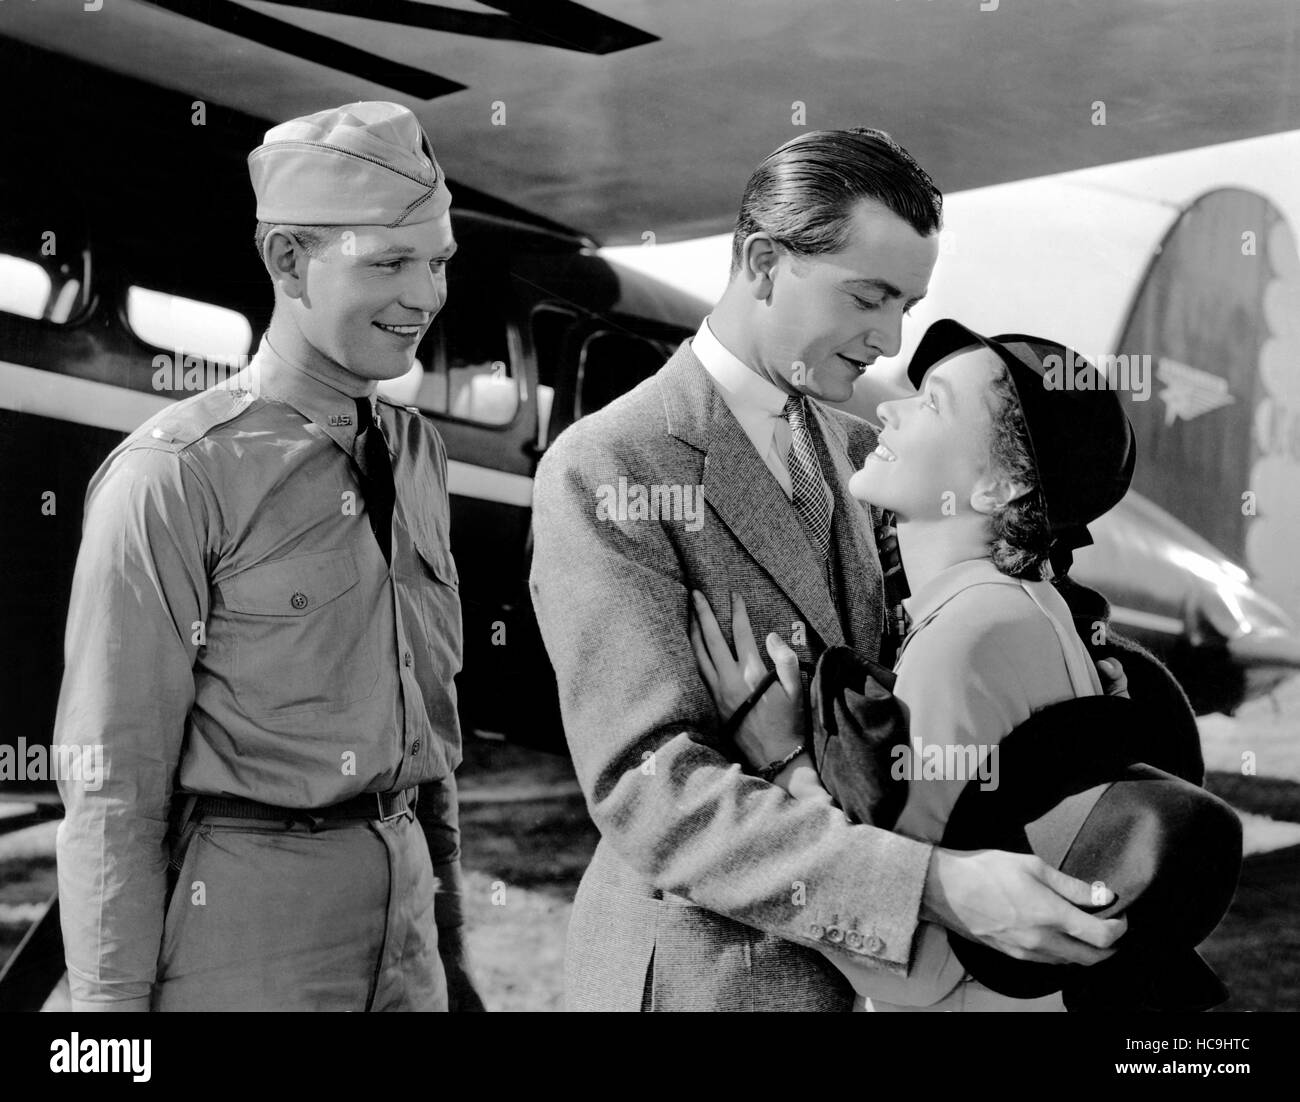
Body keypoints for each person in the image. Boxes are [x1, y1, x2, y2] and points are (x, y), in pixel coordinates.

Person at [529, 129, 1126, 1012]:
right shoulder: (610, 466)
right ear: (765, 263)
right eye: (869, 297)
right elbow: (652, 789)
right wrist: (934, 884)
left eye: (907, 304)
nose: (889, 342)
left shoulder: (863, 451)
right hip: (704, 986)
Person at [53, 102, 483, 1011]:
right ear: (288, 259)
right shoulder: (173, 476)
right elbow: (112, 786)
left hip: (409, 932)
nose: (427, 297)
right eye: (391, 262)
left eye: (439, 261)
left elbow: (430, 743)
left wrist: (450, 952)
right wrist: (103, 1032)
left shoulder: (417, 454)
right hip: (249, 934)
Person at [691, 319, 1139, 1011]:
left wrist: (782, 760)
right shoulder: (1024, 608)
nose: (887, 410)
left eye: (931, 404)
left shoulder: (968, 637)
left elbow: (914, 968)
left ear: (999, 488)